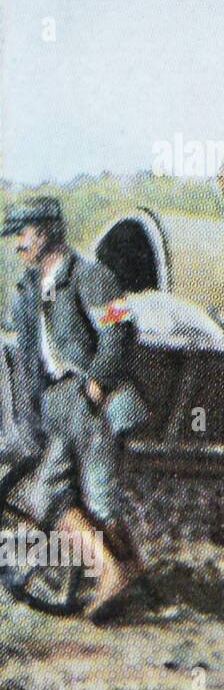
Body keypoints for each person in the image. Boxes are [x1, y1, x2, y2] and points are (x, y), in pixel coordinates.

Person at [2, 196, 149, 621]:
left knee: (98, 498)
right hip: (60, 404)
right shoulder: (31, 290)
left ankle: (114, 572)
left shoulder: (93, 276)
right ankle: (122, 568)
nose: (18, 245)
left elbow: (121, 327)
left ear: (46, 232)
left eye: (23, 235)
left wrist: (98, 384)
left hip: (95, 400)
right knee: (51, 492)